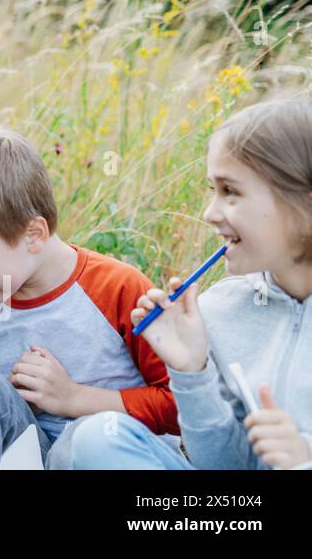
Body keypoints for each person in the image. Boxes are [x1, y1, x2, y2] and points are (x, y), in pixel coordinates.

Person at [0, 126, 179, 469]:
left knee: (79, 441)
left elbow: (179, 406)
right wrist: (8, 395)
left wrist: (72, 398)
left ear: (34, 234)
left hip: (106, 453)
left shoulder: (118, 288)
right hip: (31, 451)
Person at [71, 99, 312, 470]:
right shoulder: (221, 308)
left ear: (303, 205)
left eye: (230, 191)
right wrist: (191, 370)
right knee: (98, 435)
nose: (210, 213)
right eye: (213, 190)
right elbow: (223, 464)